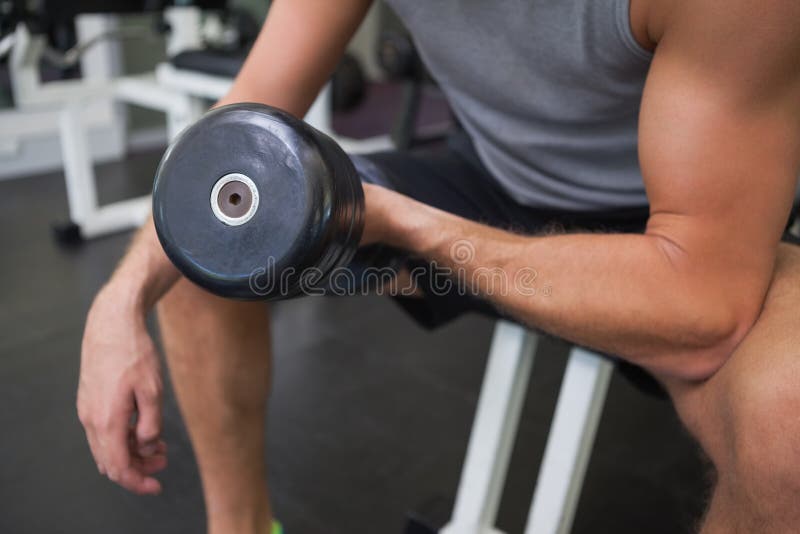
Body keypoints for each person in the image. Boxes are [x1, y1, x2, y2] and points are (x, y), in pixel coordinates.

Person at [77, 1, 800, 533]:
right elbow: (241, 125)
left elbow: (702, 305)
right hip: (491, 185)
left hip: (685, 231)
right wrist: (122, 298)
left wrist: (405, 224)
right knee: (211, 252)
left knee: (787, 421)